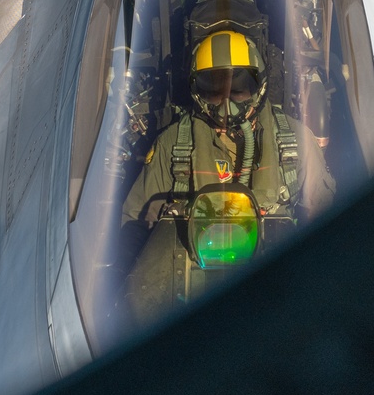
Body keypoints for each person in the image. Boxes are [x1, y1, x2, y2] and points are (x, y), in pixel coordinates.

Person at [120, 30, 335, 242]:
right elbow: (135, 227)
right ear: (198, 92)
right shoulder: (173, 145)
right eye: (214, 91)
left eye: (239, 89)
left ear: (258, 87)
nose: (227, 103)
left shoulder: (295, 142)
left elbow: (325, 224)